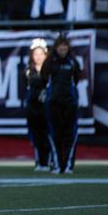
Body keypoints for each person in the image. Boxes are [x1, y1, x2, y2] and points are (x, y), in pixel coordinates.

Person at [41, 35, 82, 174]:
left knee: (70, 134)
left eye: (65, 47)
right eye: (60, 47)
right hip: (53, 103)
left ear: (68, 48)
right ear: (56, 48)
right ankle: (58, 165)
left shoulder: (73, 62)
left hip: (70, 103)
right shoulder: (50, 62)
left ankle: (69, 165)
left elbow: (76, 79)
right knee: (55, 135)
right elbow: (44, 78)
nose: (63, 50)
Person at [25, 38, 51, 172]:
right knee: (36, 136)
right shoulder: (28, 71)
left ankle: (49, 161)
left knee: (47, 135)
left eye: (41, 54)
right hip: (33, 109)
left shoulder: (51, 71)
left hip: (47, 108)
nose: (38, 57)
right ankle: (39, 161)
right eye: (36, 54)